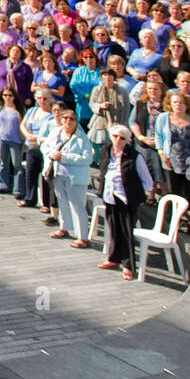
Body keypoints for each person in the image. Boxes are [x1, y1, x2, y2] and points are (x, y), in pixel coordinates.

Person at [96, 126, 154, 279]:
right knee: (114, 230)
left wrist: (140, 194)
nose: (117, 140)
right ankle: (114, 258)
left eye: (122, 138)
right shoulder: (106, 151)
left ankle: (128, 266)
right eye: (115, 136)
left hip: (127, 198)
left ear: (128, 140)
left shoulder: (135, 156)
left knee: (127, 232)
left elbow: (147, 180)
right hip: (110, 195)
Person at [45, 108, 94, 243]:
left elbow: (87, 158)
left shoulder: (82, 137)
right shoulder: (56, 132)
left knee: (77, 206)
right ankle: (64, 228)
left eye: (71, 119)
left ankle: (83, 237)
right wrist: (52, 154)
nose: (68, 121)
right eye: (65, 118)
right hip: (58, 173)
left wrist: (66, 157)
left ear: (76, 122)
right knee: (62, 202)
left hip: (76, 177)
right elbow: (45, 147)